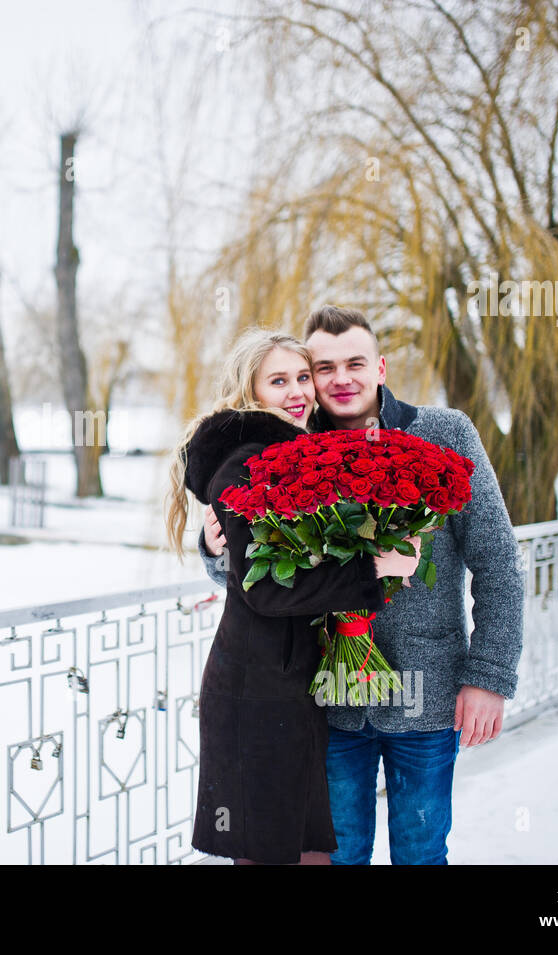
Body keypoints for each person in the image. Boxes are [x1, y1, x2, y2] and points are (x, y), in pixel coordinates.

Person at [197, 306, 524, 865]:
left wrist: (489, 677)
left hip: (427, 691)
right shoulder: (289, 447)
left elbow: (497, 563)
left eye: (355, 362)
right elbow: (257, 576)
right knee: (339, 855)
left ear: (381, 367)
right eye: (322, 367)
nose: (339, 378)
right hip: (330, 698)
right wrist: (210, 547)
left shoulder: (444, 433)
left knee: (421, 853)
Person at [165, 327, 421, 865]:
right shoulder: (245, 464)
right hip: (256, 695)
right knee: (274, 854)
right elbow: (263, 589)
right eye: (278, 380)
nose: (298, 391)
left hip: (289, 688)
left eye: (303, 377)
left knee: (303, 851)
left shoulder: (288, 458)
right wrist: (376, 570)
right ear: (249, 390)